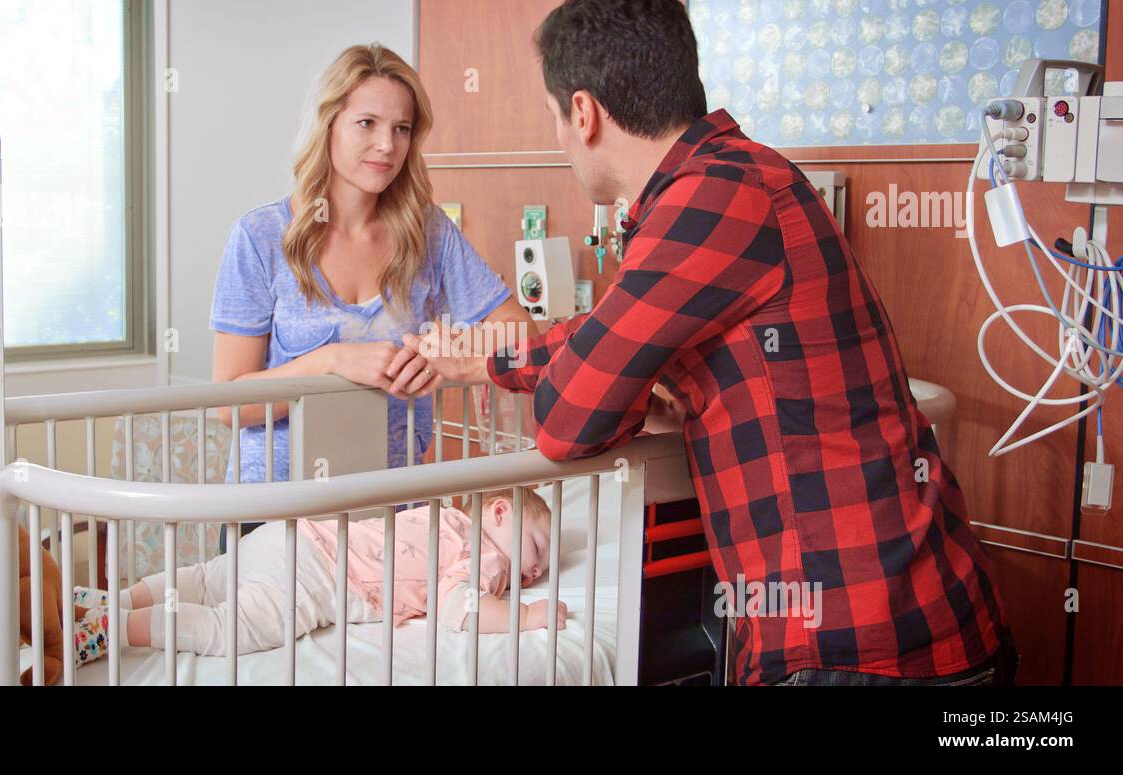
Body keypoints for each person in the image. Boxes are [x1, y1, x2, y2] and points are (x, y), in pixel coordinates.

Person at [408, 0, 1018, 687]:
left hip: (860, 645)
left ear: (583, 112)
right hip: (898, 625)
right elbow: (610, 330)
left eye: (554, 116)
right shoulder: (740, 176)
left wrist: (624, 391)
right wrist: (486, 360)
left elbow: (567, 420)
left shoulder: (710, 198)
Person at [209, 43, 537, 542]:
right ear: (329, 124)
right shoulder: (259, 237)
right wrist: (330, 361)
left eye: (401, 128)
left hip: (393, 514)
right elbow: (230, 404)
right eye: (367, 123)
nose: (387, 144)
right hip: (275, 514)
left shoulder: (429, 233)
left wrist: (441, 354)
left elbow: (519, 334)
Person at [117, 488, 566, 655]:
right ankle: (117, 628)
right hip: (316, 575)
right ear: (501, 513)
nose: (533, 571)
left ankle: (115, 599)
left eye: (541, 570)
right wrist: (525, 617)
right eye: (536, 549)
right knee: (224, 629)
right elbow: (457, 605)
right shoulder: (488, 557)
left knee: (207, 577)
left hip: (293, 534)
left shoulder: (442, 514)